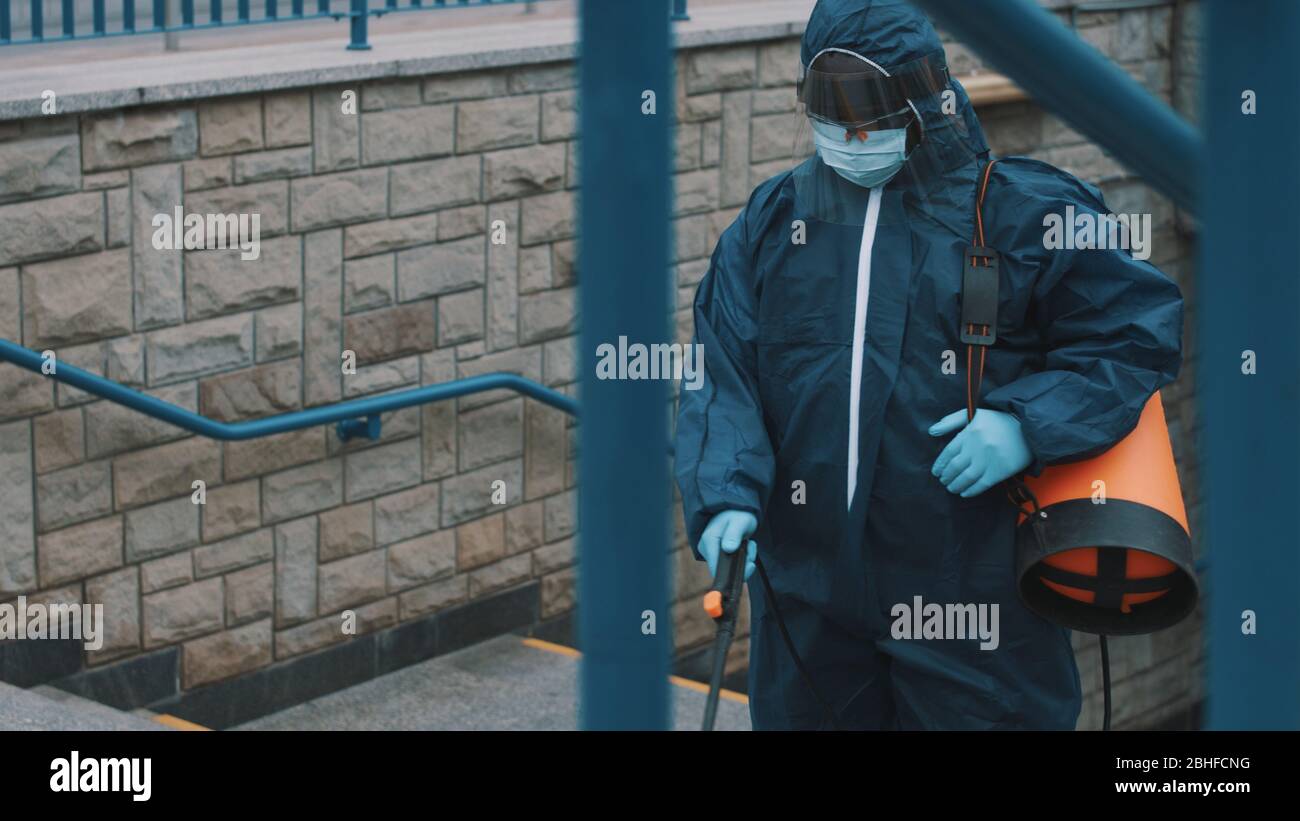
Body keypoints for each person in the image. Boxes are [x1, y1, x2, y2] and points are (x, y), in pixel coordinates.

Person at [674, 0, 1183, 730]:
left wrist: (1025, 422)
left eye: (865, 114)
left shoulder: (1021, 213)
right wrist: (726, 494)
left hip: (975, 609)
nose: (848, 138)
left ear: (922, 97)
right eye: (830, 113)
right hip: (809, 610)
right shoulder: (775, 224)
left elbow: (1134, 334)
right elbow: (724, 365)